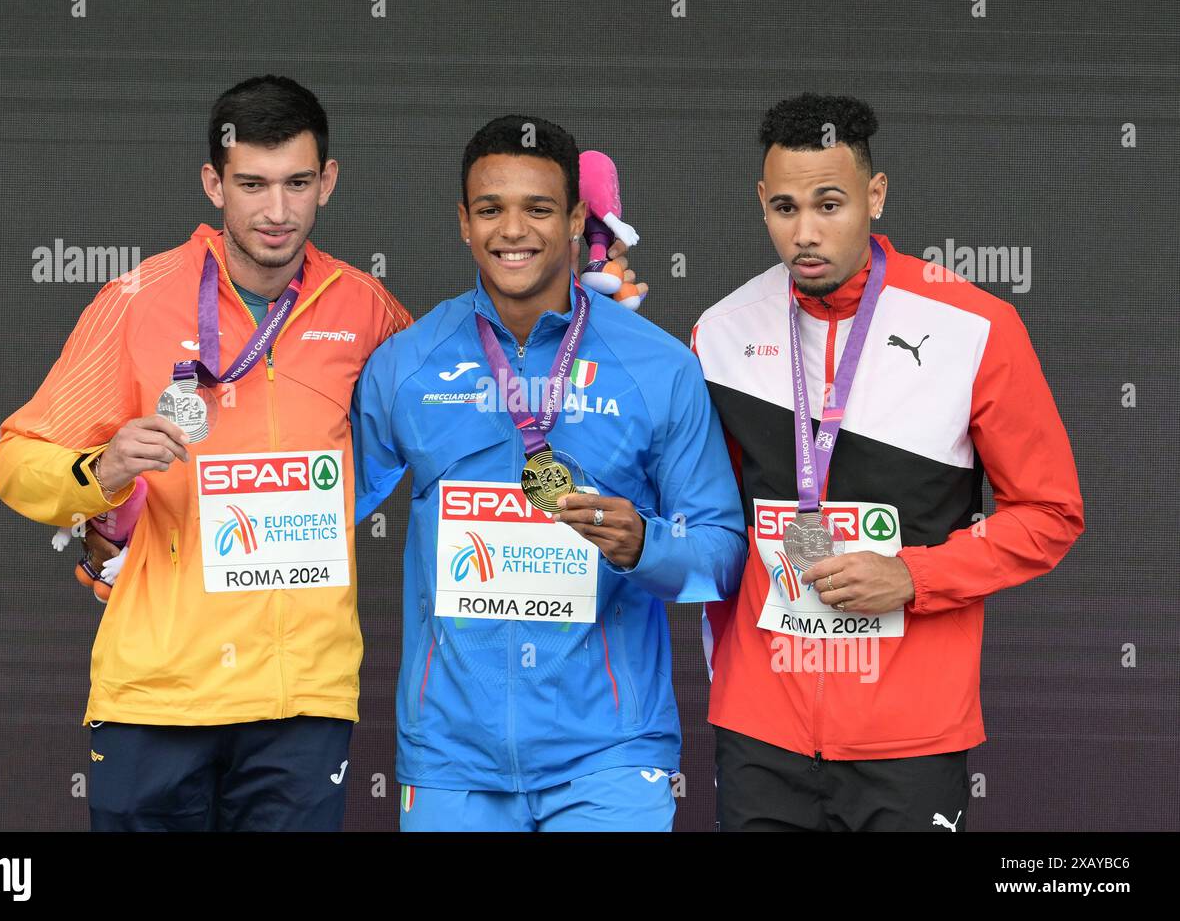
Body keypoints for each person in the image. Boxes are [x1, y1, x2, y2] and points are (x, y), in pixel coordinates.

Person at [0, 75, 412, 830]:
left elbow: (461, 404)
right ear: (213, 183)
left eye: (297, 183)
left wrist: (585, 314)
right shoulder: (137, 300)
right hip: (158, 691)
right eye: (252, 184)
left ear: (330, 182)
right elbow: (16, 460)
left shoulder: (368, 310)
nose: (277, 211)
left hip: (301, 696)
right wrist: (102, 470)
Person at [692, 93, 1084, 831]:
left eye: (829, 204)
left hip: (910, 734)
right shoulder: (719, 332)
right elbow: (695, 513)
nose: (804, 233)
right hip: (760, 727)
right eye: (783, 208)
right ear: (760, 203)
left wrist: (914, 575)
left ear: (875, 195)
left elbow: (1051, 514)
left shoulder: (975, 326)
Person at [352, 115, 747, 831]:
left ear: (574, 220)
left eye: (538, 209)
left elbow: (720, 556)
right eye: (490, 209)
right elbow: (328, 505)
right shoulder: (407, 362)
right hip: (450, 760)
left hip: (610, 759)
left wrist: (646, 546)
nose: (513, 230)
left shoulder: (658, 367)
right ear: (463, 223)